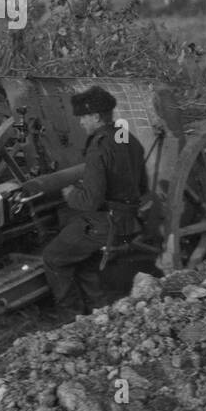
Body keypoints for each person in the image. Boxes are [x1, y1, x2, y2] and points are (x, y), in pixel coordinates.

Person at [41, 86, 147, 316]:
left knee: (52, 257)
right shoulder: (129, 139)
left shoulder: (98, 148)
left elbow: (90, 201)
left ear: (96, 117)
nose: (80, 122)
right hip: (130, 221)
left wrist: (70, 194)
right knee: (82, 255)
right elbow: (143, 187)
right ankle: (98, 307)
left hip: (105, 224)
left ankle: (69, 316)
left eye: (83, 117)